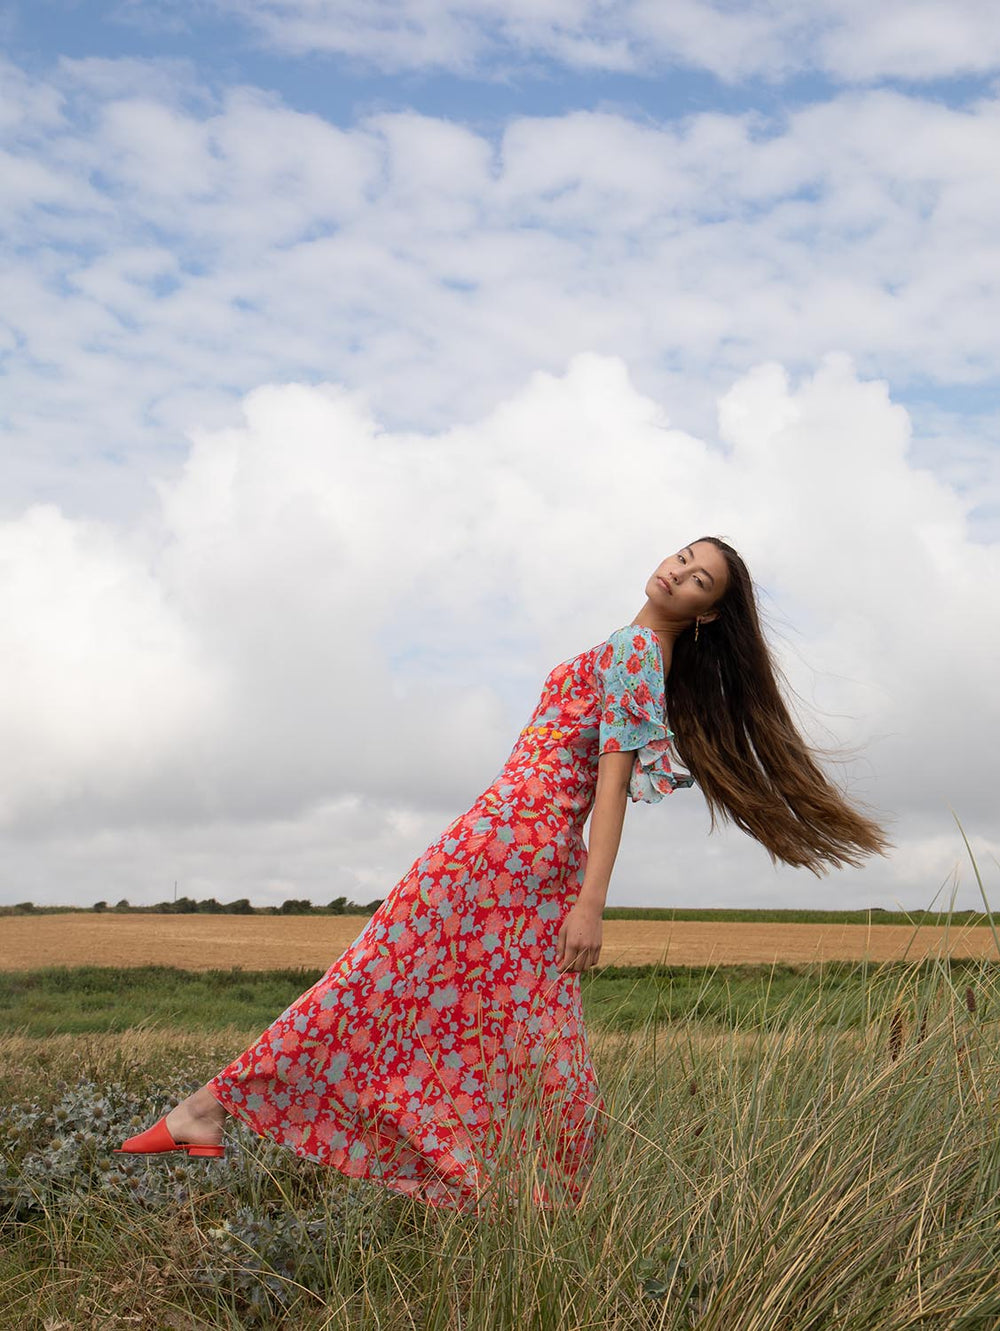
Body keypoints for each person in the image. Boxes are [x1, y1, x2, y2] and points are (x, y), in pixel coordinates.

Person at [116, 537, 888, 1211]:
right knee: (491, 1022)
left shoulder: (634, 654)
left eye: (698, 580)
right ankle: (514, 1196)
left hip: (511, 848)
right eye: (682, 558)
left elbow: (612, 784)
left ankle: (219, 1112)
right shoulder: (634, 649)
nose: (676, 573)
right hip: (512, 845)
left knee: (391, 989)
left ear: (707, 614)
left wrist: (591, 902)